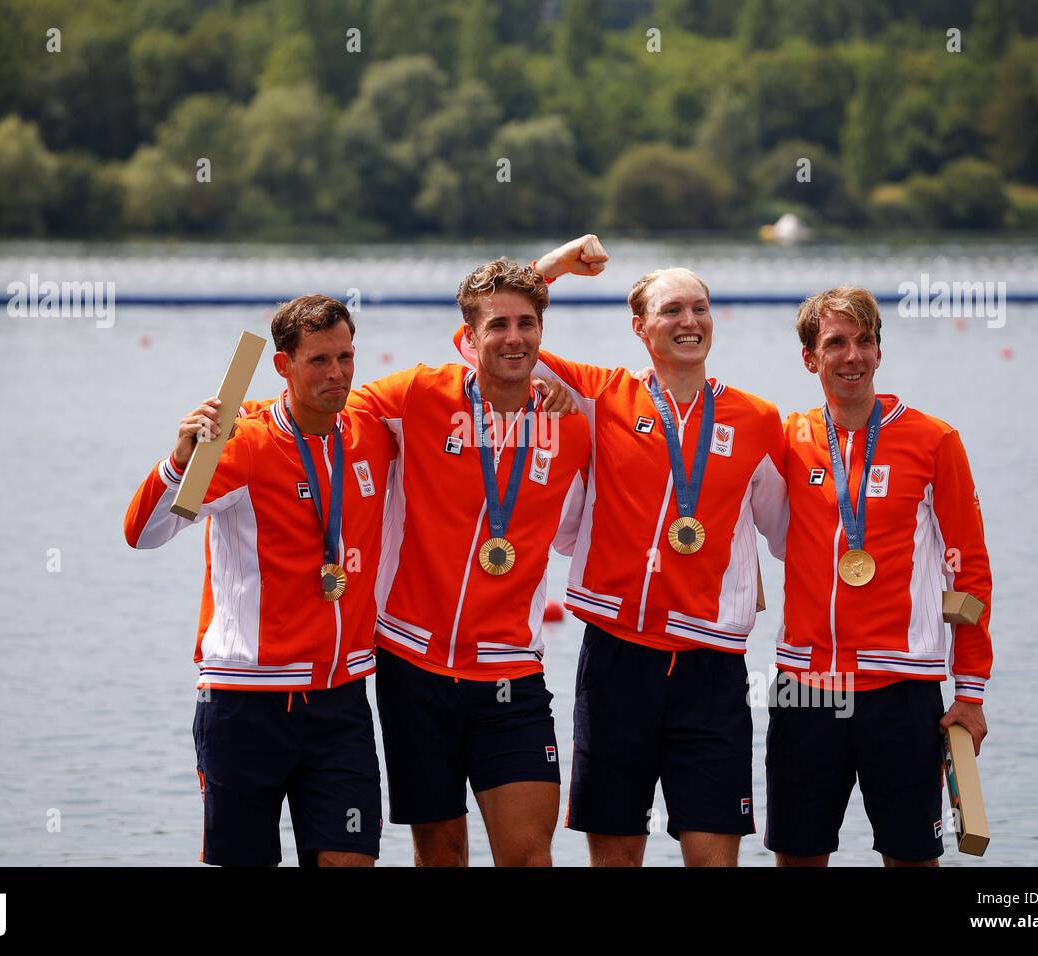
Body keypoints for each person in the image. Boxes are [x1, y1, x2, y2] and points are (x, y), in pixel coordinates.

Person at [462, 237, 788, 867]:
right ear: (639, 327)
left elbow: (793, 533)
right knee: (614, 855)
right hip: (617, 658)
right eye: (671, 311)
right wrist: (550, 269)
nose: (688, 322)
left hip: (712, 666)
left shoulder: (758, 419)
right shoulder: (600, 394)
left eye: (699, 309)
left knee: (712, 857)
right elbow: (478, 339)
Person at [123, 295, 397, 867]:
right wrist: (179, 459)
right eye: (319, 361)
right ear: (282, 366)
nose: (337, 374)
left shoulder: (369, 433)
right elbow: (144, 534)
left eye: (346, 357)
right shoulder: (243, 445)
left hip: (341, 700)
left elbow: (474, 370)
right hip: (245, 702)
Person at [350, 257, 592, 866]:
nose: (514, 338)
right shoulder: (416, 396)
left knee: (528, 855)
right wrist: (223, 427)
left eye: (527, 324)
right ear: (468, 337)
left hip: (509, 669)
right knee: (441, 850)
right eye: (497, 326)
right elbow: (316, 407)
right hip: (412, 662)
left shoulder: (573, 422)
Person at [768, 286, 993, 867]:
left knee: (912, 859)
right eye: (836, 343)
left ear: (879, 351)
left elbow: (966, 571)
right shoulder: (788, 438)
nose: (852, 357)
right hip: (805, 687)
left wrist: (969, 691)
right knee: (797, 857)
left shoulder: (934, 439)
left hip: (903, 689)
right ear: (809, 358)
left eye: (865, 341)